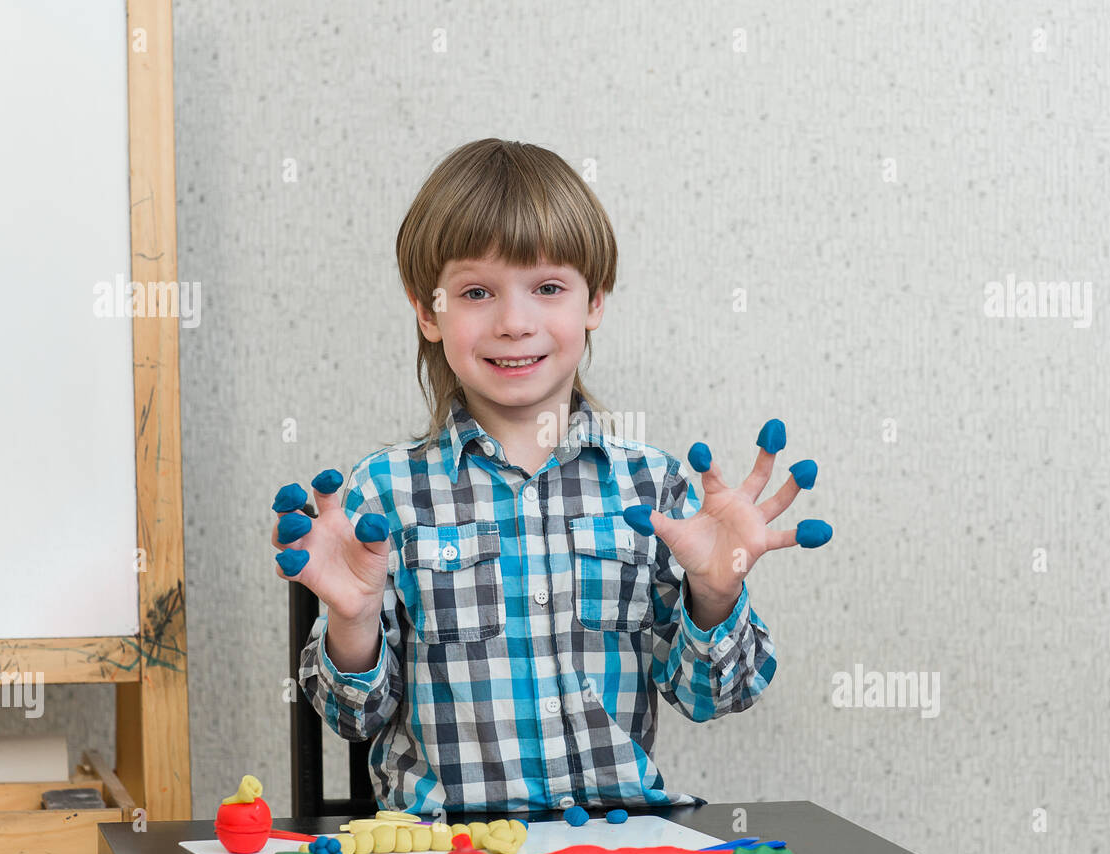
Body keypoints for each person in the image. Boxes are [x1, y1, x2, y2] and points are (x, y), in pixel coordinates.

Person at [271, 138, 831, 814]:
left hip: (619, 841)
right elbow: (351, 718)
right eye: (477, 292)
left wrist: (713, 594)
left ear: (593, 301)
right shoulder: (381, 495)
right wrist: (353, 621)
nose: (514, 322)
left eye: (548, 288)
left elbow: (718, 695)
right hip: (451, 847)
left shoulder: (653, 490)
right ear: (428, 311)